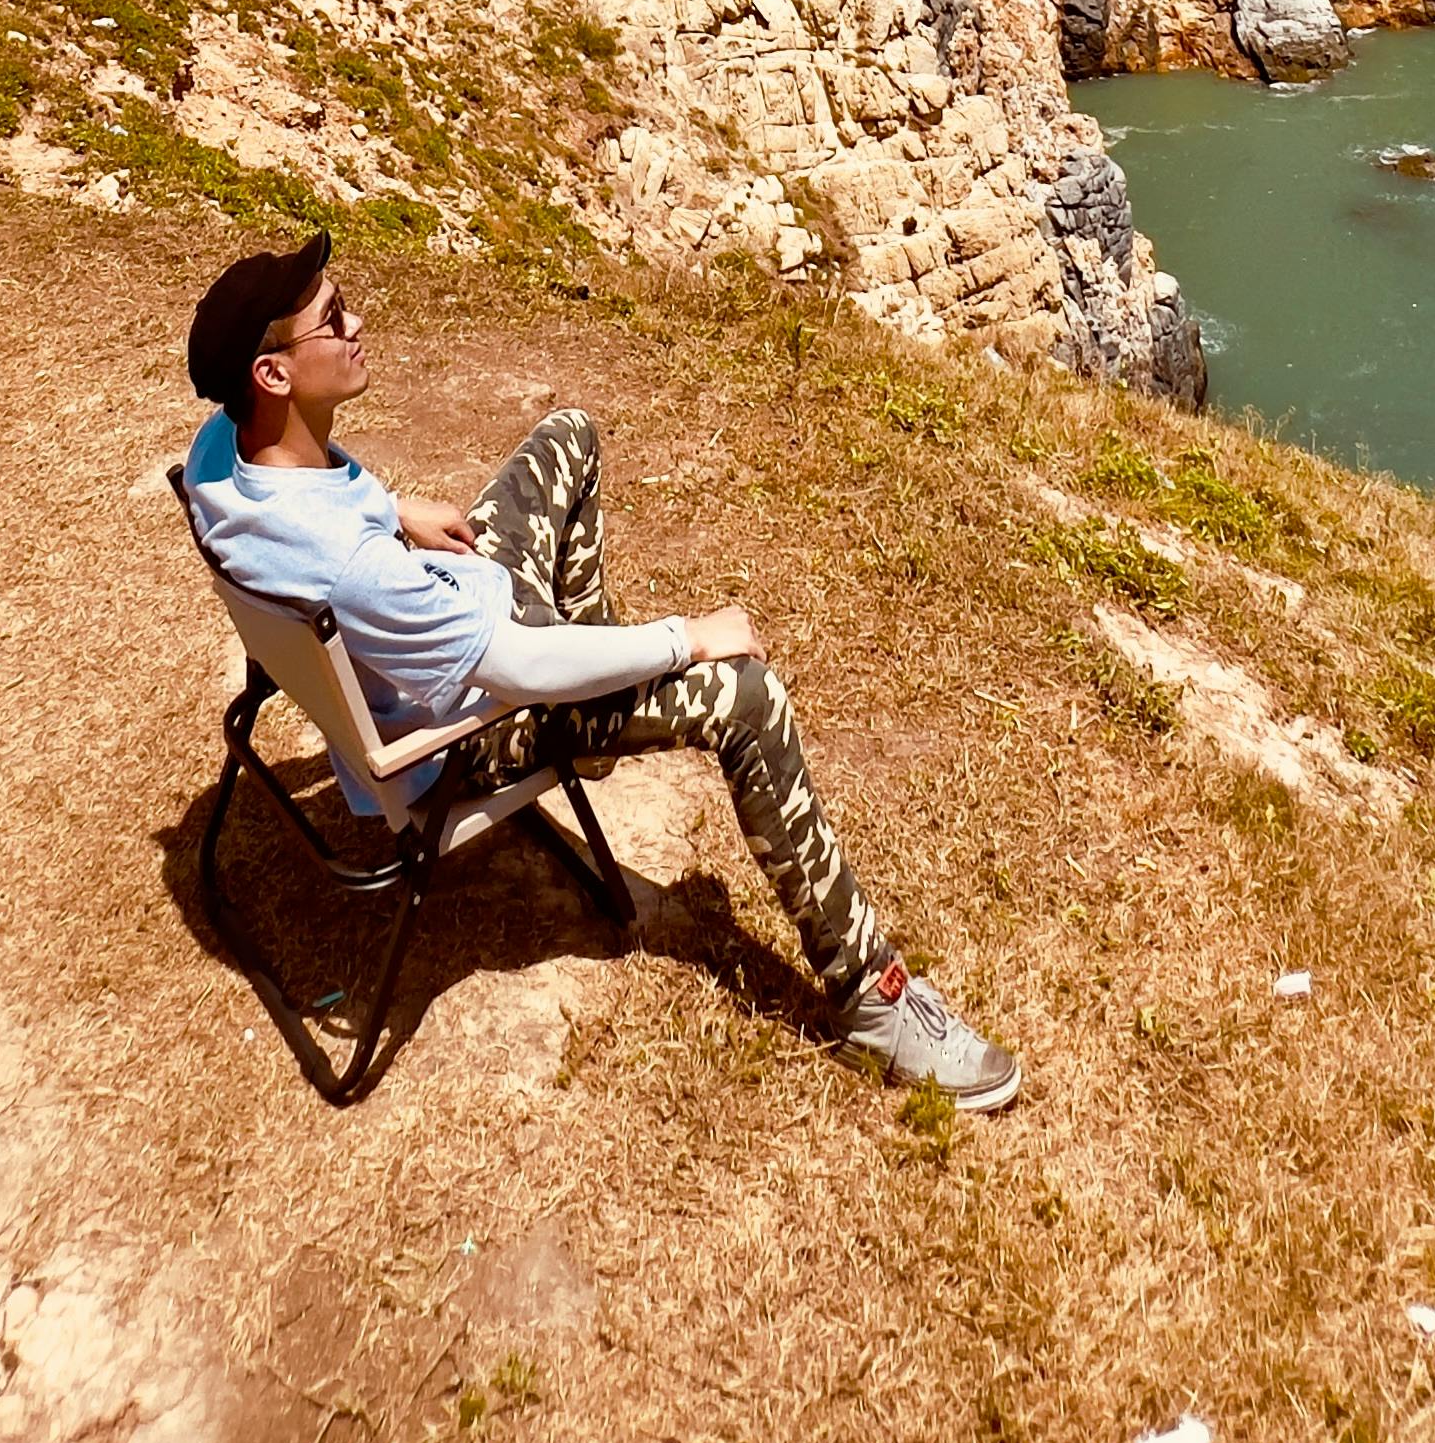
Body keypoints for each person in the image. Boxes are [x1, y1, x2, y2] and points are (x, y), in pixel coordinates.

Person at [180, 230, 1020, 1112]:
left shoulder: (222, 456)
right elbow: (517, 663)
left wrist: (392, 510)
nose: (357, 324)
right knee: (745, 695)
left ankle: (599, 722)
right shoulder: (356, 570)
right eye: (333, 319)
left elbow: (333, 536)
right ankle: (870, 998)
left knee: (568, 436)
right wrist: (683, 638)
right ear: (273, 373)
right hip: (471, 729)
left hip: (461, 623)